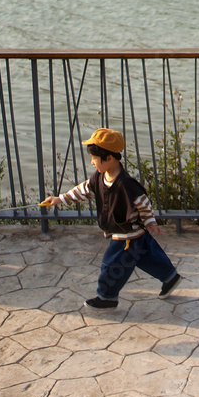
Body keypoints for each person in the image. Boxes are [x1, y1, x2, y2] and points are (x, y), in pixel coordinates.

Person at [43, 128, 181, 309]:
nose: (92, 163)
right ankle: (170, 277)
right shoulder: (99, 177)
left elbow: (143, 202)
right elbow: (82, 190)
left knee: (112, 265)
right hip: (132, 235)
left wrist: (150, 222)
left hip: (126, 236)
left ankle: (107, 297)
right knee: (147, 257)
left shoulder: (125, 184)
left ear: (109, 158)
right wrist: (59, 199)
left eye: (94, 159)